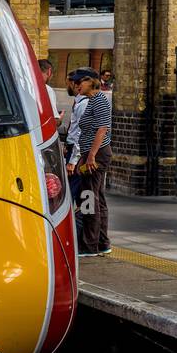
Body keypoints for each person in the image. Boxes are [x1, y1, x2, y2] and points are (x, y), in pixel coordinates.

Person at [68, 67, 112, 257]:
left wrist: (91, 155)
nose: (78, 85)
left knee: (89, 198)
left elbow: (102, 129)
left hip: (97, 154)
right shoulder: (94, 100)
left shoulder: (99, 101)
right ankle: (102, 242)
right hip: (91, 153)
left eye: (81, 82)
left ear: (92, 82)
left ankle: (89, 245)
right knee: (97, 197)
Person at [64, 70, 90, 203]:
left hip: (79, 155)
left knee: (78, 191)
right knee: (82, 190)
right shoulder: (80, 103)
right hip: (75, 151)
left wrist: (73, 160)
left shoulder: (84, 104)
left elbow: (82, 134)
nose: (67, 86)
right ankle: (85, 220)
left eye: (69, 83)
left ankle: (84, 221)